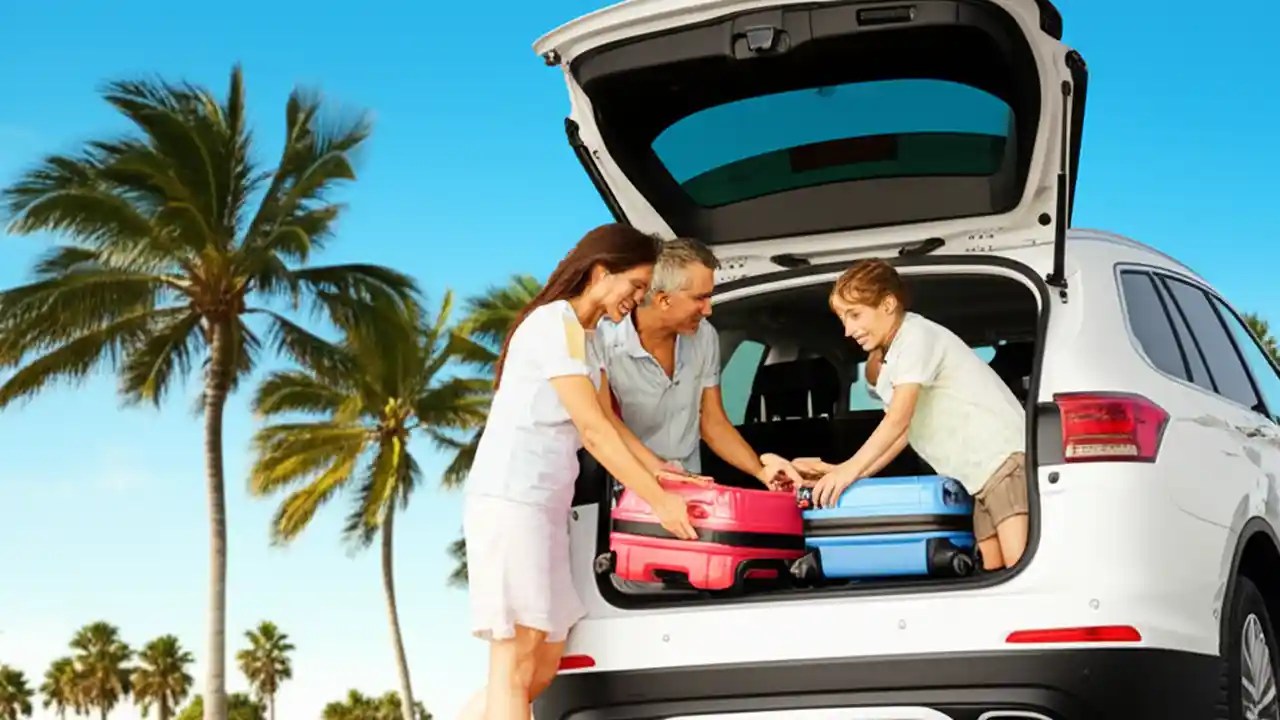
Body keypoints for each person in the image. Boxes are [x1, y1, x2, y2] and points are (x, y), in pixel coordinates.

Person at [458, 224, 701, 720]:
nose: (637, 299)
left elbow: (609, 420)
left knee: (543, 664)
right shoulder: (553, 324)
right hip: (512, 501)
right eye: (635, 285)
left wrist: (664, 472)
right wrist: (658, 502)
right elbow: (592, 431)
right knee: (514, 665)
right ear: (600, 272)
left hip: (544, 509)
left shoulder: (589, 337)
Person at [802, 259, 1028, 571]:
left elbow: (898, 419)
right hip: (979, 479)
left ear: (887, 304)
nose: (848, 330)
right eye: (843, 319)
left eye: (854, 315)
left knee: (1018, 568)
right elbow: (902, 434)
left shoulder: (916, 337)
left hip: (1002, 462)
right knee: (993, 572)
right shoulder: (895, 356)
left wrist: (849, 470)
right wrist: (848, 472)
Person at [593, 237, 803, 491]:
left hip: (691, 490)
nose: (708, 310)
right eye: (700, 298)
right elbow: (604, 425)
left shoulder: (704, 336)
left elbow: (713, 423)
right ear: (664, 300)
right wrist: (662, 473)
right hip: (630, 490)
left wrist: (761, 471)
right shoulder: (602, 342)